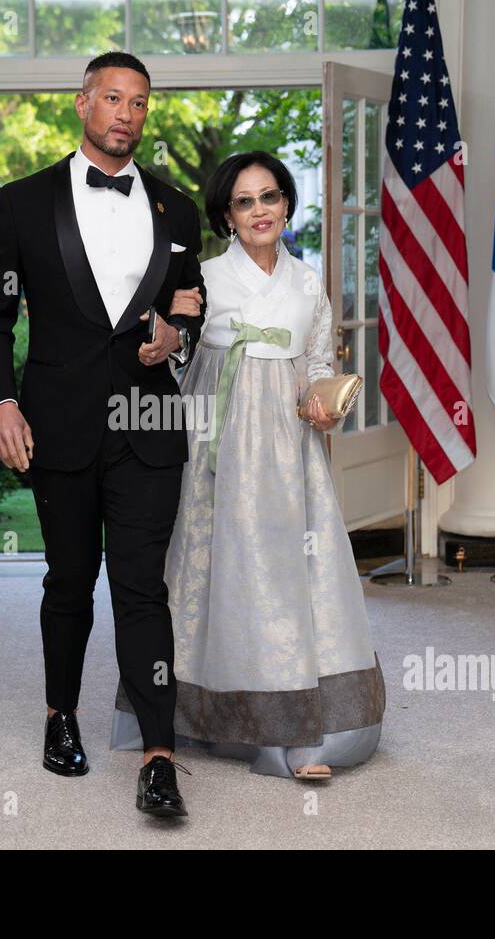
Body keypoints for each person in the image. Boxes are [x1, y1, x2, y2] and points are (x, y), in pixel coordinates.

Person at [0, 52, 207, 817]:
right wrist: (3, 406)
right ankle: (59, 714)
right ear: (82, 105)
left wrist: (174, 338)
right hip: (57, 425)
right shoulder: (21, 203)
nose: (126, 114)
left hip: (148, 425)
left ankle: (159, 756)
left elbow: (188, 307)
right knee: (70, 583)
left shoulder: (177, 209)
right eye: (112, 98)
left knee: (144, 590)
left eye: (139, 102)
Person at [110, 151, 387, 780]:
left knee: (293, 571)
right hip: (219, 437)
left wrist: (324, 401)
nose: (259, 210)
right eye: (244, 201)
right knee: (219, 567)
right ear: (228, 216)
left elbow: (315, 362)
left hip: (289, 447)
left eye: (269, 197)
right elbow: (171, 353)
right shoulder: (204, 277)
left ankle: (302, 736)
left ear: (287, 204)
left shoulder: (308, 280)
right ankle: (198, 712)